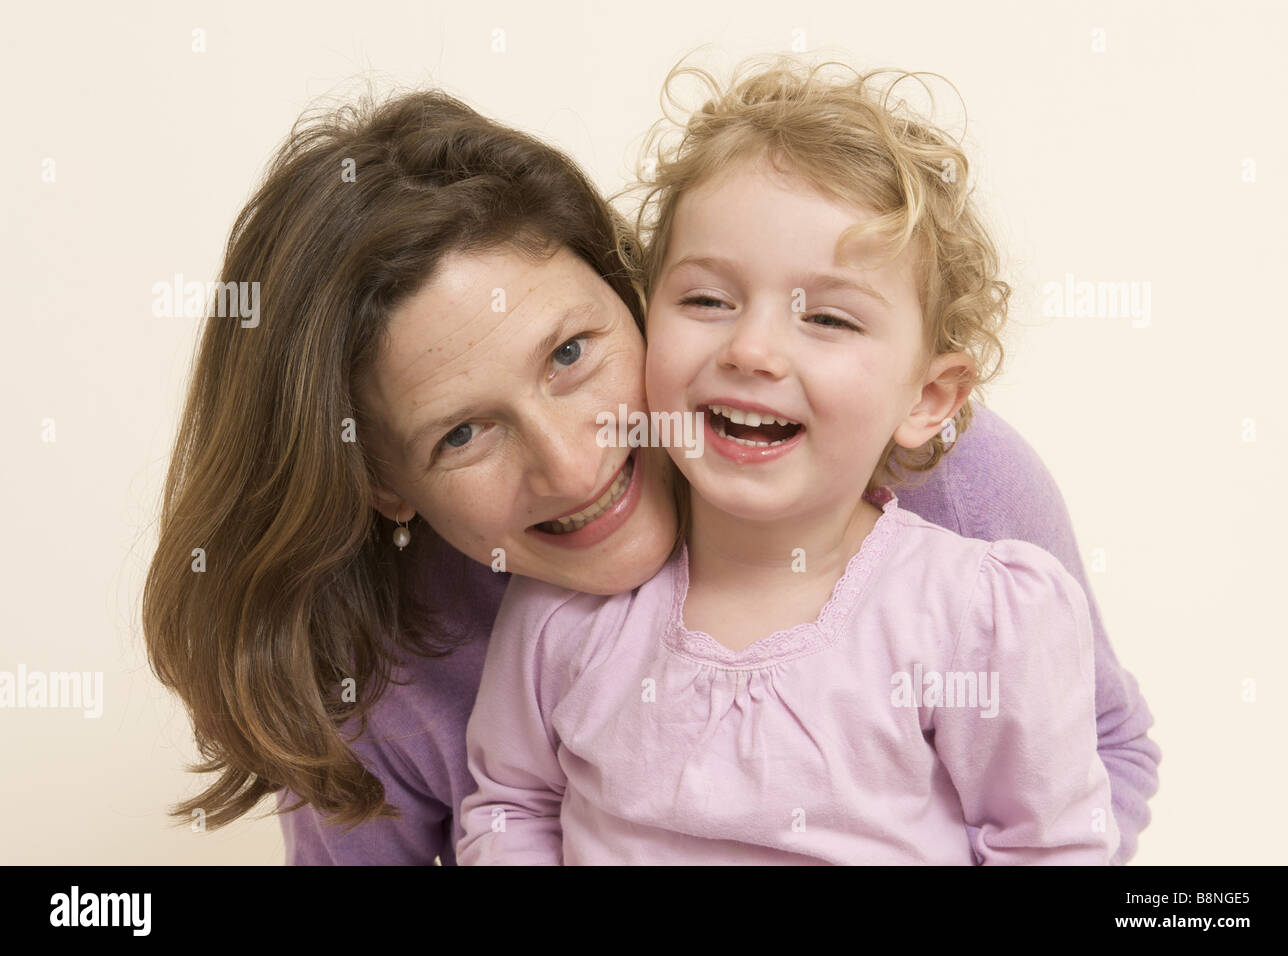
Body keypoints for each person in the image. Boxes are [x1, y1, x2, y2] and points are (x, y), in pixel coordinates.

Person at [141, 73, 1159, 866]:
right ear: (380, 483)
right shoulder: (388, 664)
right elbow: (507, 808)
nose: (574, 460)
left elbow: (1088, 768)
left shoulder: (938, 479)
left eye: (571, 352)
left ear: (626, 287)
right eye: (461, 433)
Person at [456, 58, 1120, 864]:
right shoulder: (565, 614)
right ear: (643, 316)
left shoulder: (973, 622)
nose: (753, 349)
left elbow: (1051, 847)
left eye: (830, 319)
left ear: (928, 400)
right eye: (707, 300)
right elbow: (511, 810)